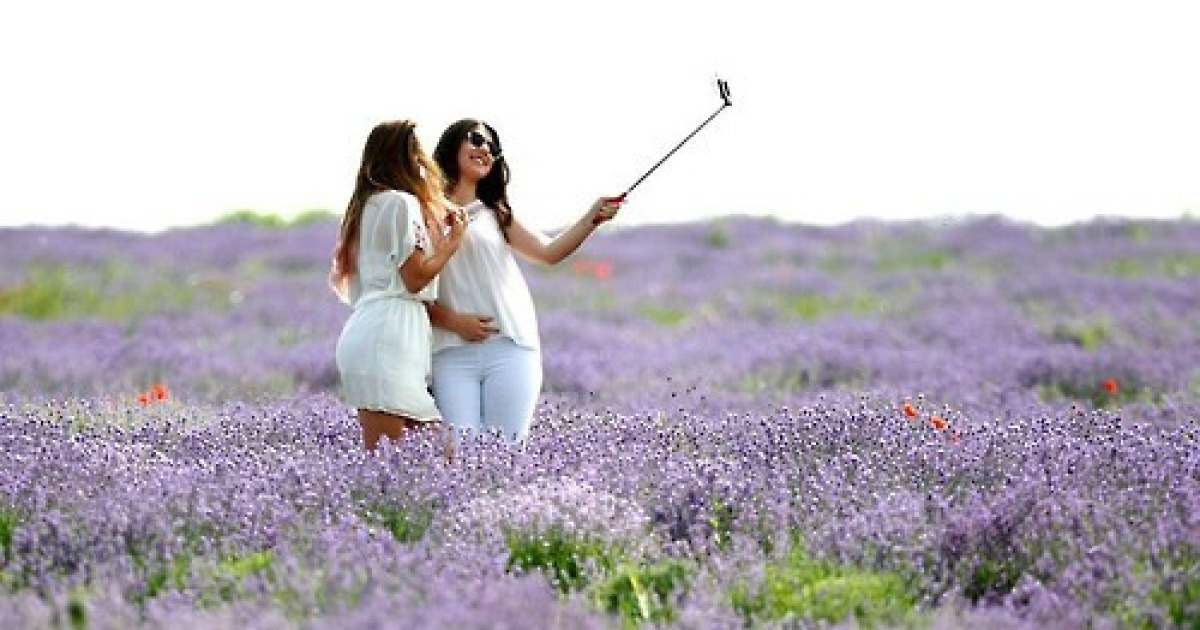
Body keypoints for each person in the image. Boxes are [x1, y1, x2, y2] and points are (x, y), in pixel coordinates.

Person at [426, 119, 621, 443]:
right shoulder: (424, 213)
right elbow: (409, 283)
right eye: (475, 140)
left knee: (506, 452)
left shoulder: (497, 212)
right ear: (452, 146)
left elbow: (548, 252)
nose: (484, 149)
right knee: (459, 455)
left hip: (510, 346)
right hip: (449, 352)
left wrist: (592, 219)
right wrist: (454, 321)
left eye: (492, 147)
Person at [329, 119, 467, 453]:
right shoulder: (400, 203)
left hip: (379, 330)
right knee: (406, 460)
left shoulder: (366, 207)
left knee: (413, 458)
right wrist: (452, 242)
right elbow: (415, 277)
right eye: (418, 152)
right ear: (407, 157)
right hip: (389, 335)